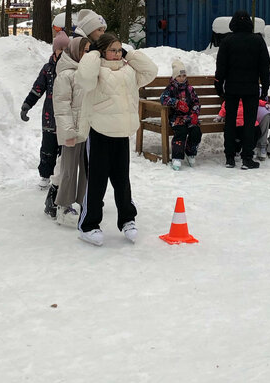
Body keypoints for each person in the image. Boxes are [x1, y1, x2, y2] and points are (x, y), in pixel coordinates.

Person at [75, 33, 158, 246]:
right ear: (102, 51)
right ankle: (89, 225)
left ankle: (128, 219)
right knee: (97, 182)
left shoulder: (129, 70)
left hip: (122, 133)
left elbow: (151, 71)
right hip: (100, 133)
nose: (117, 53)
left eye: (120, 49)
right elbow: (84, 78)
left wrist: (131, 54)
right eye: (112, 49)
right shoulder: (95, 70)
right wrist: (93, 52)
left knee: (122, 182)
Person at [214, 10, 270, 170]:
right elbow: (264, 66)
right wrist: (265, 87)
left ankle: (230, 157)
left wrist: (218, 85)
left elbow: (221, 66)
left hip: (231, 88)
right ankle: (247, 158)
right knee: (249, 122)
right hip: (251, 88)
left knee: (230, 123)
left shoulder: (227, 41)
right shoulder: (258, 41)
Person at [47, 36, 91, 226]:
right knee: (68, 169)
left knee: (87, 169)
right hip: (73, 130)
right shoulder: (66, 75)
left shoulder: (88, 72)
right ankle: (63, 205)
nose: (88, 54)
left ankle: (83, 202)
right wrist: (68, 131)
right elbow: (62, 106)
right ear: (76, 51)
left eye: (90, 50)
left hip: (89, 129)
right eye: (85, 50)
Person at [20, 30, 70, 187]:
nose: (63, 53)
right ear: (54, 50)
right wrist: (27, 105)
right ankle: (45, 175)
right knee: (48, 148)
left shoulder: (72, 69)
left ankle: (62, 175)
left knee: (65, 149)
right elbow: (38, 89)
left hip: (67, 118)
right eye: (60, 49)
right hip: (50, 116)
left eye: (66, 50)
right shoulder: (47, 69)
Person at [160, 58, 201, 171]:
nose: (182, 78)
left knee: (196, 131)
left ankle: (190, 152)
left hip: (189, 117)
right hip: (176, 118)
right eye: (179, 76)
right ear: (174, 77)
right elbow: (163, 99)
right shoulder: (171, 89)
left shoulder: (190, 89)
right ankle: (177, 157)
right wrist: (176, 103)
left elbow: (196, 102)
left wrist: (194, 114)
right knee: (181, 132)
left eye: (184, 76)